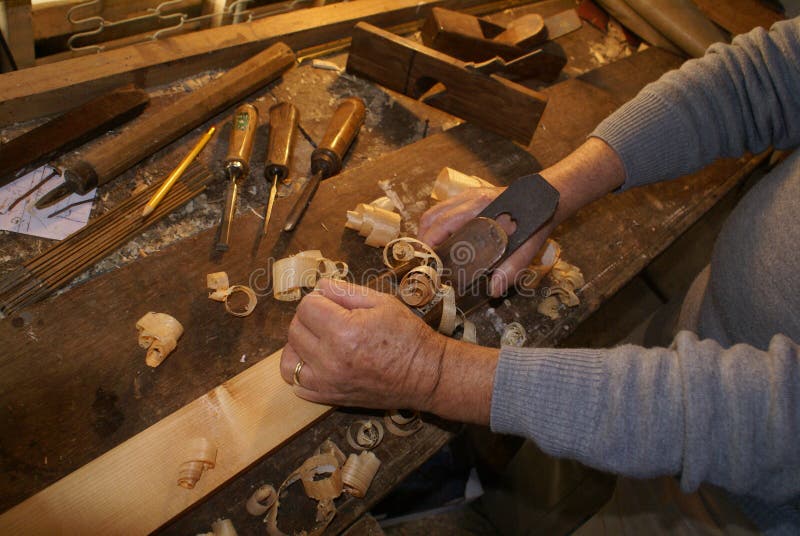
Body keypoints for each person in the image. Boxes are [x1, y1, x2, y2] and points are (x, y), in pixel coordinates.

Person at [280, 17, 800, 534]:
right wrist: (545, 197)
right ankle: (497, 504)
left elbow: (764, 421)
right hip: (698, 330)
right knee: (561, 473)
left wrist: (431, 372)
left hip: (749, 490)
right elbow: (762, 80)